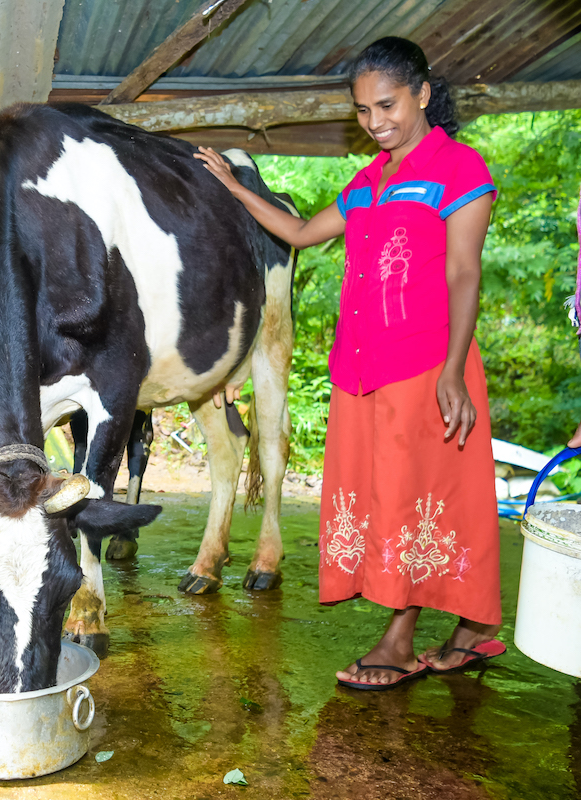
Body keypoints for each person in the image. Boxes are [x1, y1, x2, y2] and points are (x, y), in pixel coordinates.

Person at [195, 36, 503, 689]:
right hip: (362, 370)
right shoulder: (367, 181)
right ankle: (473, 629)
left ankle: (398, 640)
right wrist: (232, 187)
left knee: (424, 497)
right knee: (391, 501)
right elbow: (302, 232)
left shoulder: (459, 169)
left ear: (422, 93)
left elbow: (464, 273)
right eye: (363, 110)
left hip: (426, 365)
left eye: (387, 104)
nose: (376, 121)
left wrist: (453, 371)